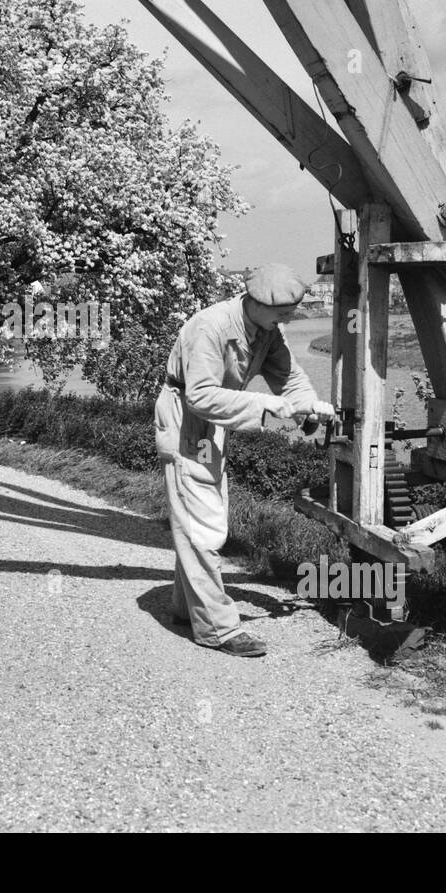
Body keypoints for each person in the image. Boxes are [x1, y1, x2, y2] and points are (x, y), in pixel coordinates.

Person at [154, 263, 334, 657]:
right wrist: (266, 406)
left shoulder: (267, 331)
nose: (288, 319)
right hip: (188, 418)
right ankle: (218, 629)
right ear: (255, 302)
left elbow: (289, 378)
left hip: (212, 425)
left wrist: (309, 407)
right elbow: (200, 395)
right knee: (201, 523)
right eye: (282, 312)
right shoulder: (210, 327)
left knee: (202, 513)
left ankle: (188, 609)